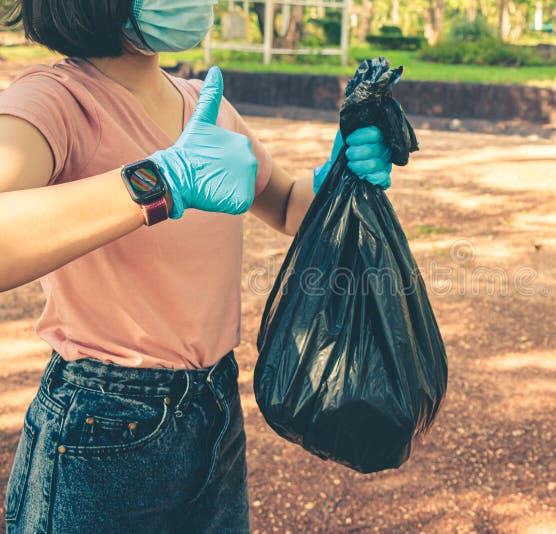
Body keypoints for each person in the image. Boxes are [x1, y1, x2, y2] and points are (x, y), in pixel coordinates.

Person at [0, 1, 395, 532]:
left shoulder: (202, 102)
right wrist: (159, 181)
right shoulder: (53, 100)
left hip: (214, 405)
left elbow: (284, 207)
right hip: (105, 418)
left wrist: (338, 174)